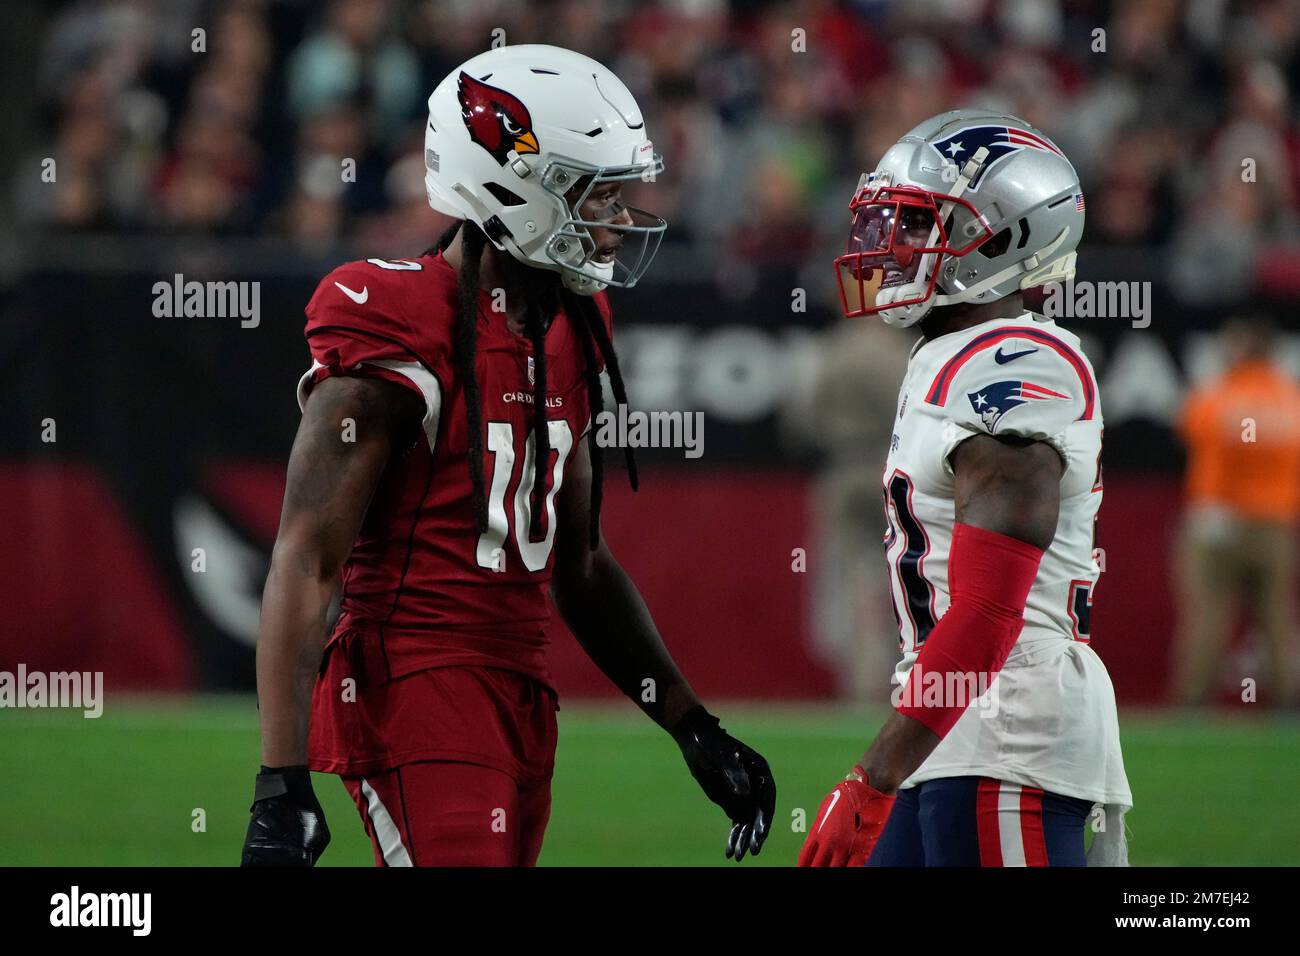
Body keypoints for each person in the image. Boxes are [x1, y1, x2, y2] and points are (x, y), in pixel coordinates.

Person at [241, 45, 774, 867]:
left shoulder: (570, 324)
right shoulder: (395, 318)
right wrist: (280, 782)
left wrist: (690, 724)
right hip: (413, 682)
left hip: (522, 694)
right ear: (515, 185)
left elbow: (582, 564)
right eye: (598, 195)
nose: (621, 219)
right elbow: (307, 557)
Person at [798, 111, 1130, 867]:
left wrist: (871, 778)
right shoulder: (951, 352)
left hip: (1008, 734)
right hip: (953, 729)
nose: (890, 246)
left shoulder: (1017, 358)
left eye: (917, 225)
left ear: (1004, 240)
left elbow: (987, 609)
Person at [1173, 316, 1300, 708]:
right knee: (1277, 621)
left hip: (1218, 522)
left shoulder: (1217, 396)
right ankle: (1286, 707)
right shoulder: (1291, 402)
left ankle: (1193, 706)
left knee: (1208, 618)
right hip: (1276, 525)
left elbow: (1191, 435)